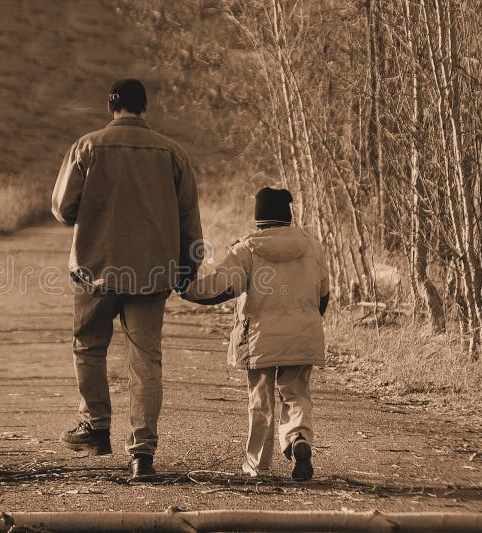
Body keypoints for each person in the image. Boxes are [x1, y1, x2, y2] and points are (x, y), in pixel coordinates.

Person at [51, 79, 202, 481]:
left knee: (89, 348)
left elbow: (63, 209)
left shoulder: (87, 147)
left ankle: (96, 428)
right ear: (144, 107)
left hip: (95, 270)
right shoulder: (172, 152)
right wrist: (188, 268)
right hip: (152, 274)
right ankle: (143, 454)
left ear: (110, 106)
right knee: (146, 361)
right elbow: (189, 217)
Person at [182, 187, 329, 481]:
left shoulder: (247, 249)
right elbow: (323, 296)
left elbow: (221, 288)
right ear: (287, 215)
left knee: (261, 402)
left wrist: (187, 288)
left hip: (260, 339)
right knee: (297, 394)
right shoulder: (312, 247)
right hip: (303, 335)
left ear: (258, 217)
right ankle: (299, 438)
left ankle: (258, 464)